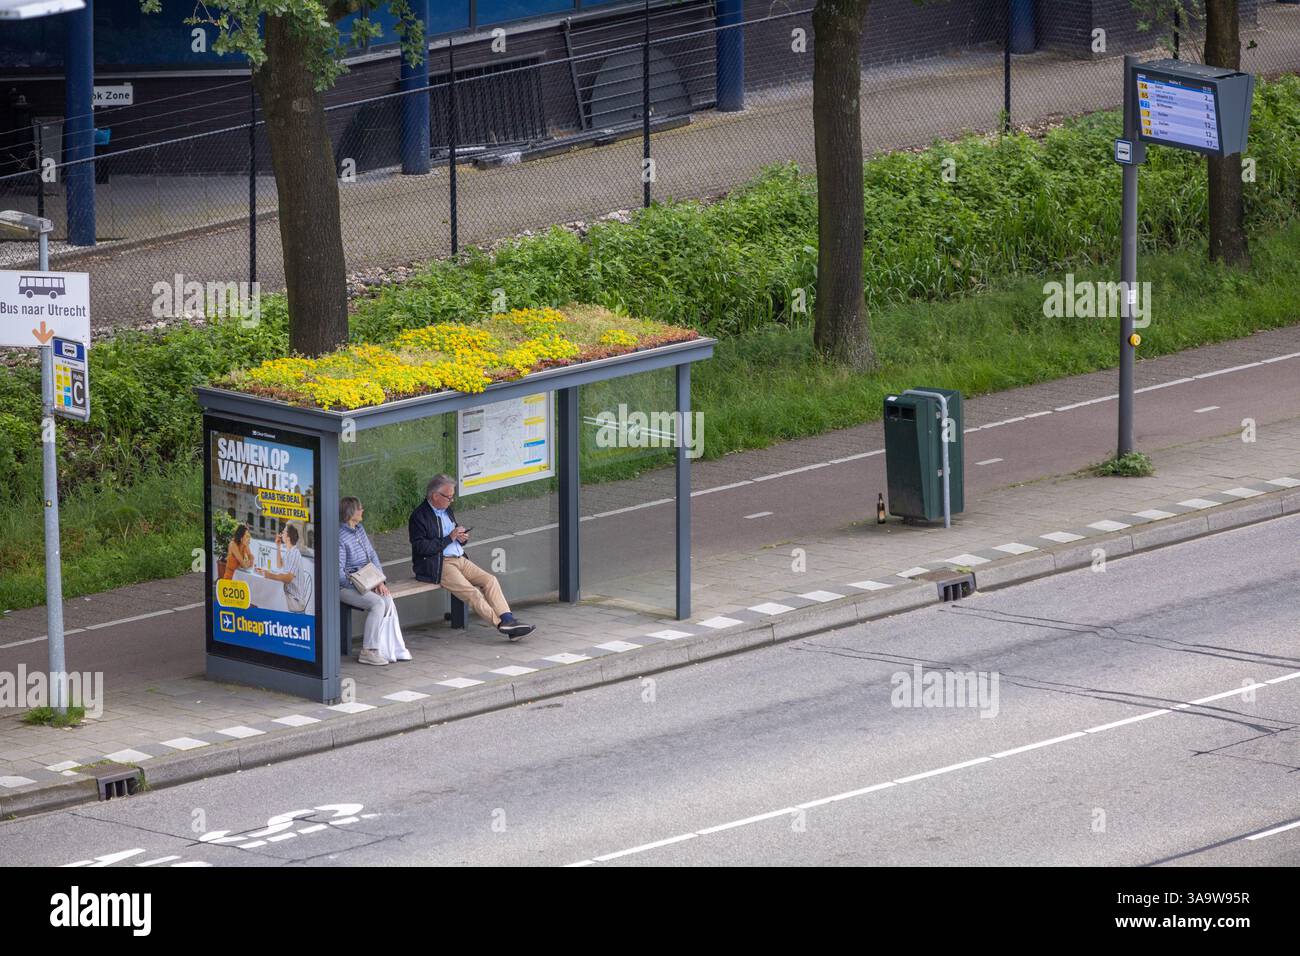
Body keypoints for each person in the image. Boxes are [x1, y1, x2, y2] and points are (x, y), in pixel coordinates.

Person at [409, 474, 534, 640]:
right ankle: (501, 625)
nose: (451, 501)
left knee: (490, 580)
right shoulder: (419, 517)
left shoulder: (447, 511)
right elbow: (421, 548)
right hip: (438, 564)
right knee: (472, 593)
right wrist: (450, 538)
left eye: (453, 497)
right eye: (449, 497)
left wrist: (461, 539)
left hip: (459, 558)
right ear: (435, 496)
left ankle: (508, 619)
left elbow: (451, 538)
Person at [338, 496, 409, 666]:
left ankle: (383, 647)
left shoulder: (359, 529)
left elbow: (372, 555)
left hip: (367, 581)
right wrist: (363, 586)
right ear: (350, 513)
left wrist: (380, 581)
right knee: (377, 603)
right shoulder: (340, 537)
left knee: (386, 598)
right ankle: (368, 651)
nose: (363, 510)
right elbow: (338, 573)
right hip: (345, 586)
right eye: (360, 508)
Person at [258, 522, 310, 613]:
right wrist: (278, 546)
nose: (281, 533)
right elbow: (279, 565)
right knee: (266, 596)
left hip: (295, 600)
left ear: (288, 537)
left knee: (266, 598)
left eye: (284, 531)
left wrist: (269, 575)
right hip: (288, 595)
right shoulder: (289, 552)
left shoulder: (295, 553)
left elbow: (288, 578)